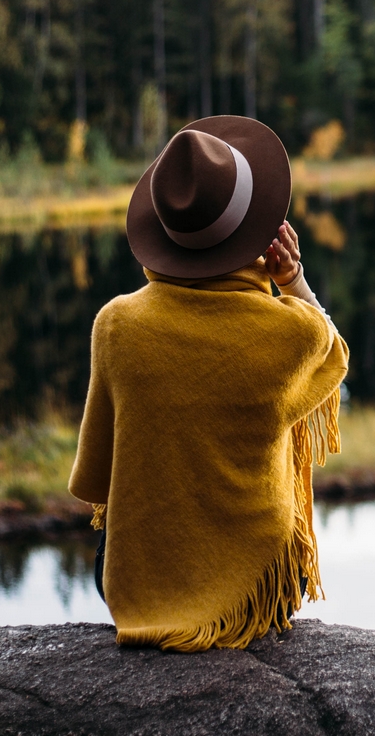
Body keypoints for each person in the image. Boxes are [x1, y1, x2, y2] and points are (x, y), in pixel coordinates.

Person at [69, 115, 348, 651]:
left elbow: (95, 479)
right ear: (258, 233)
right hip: (257, 587)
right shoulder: (289, 331)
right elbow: (332, 347)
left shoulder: (116, 324)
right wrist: (292, 280)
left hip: (131, 581)